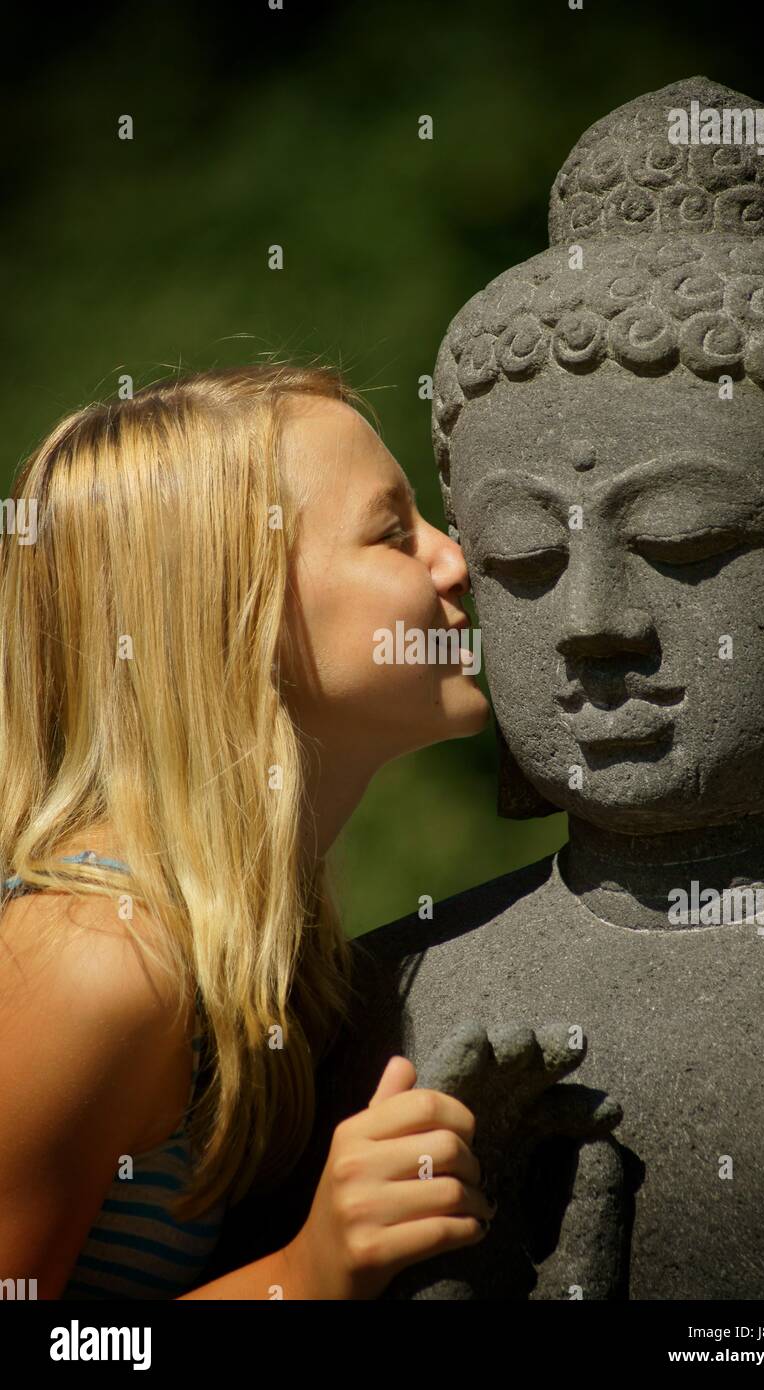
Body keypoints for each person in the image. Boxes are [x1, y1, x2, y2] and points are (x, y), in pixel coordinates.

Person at [0, 362, 495, 1300]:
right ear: (239, 610)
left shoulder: (244, 949)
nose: (453, 560)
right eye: (393, 532)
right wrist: (304, 1277)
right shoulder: (93, 964)